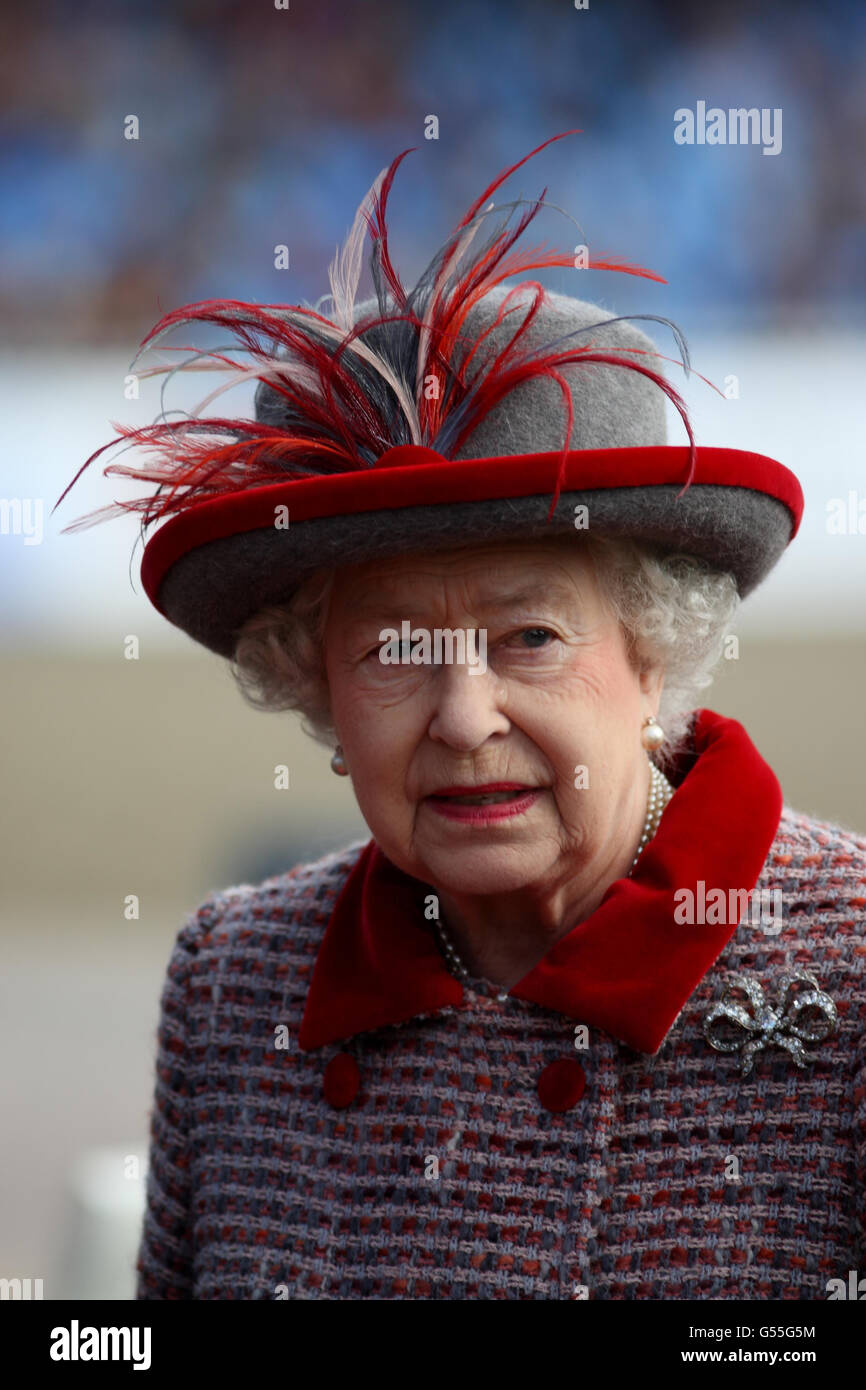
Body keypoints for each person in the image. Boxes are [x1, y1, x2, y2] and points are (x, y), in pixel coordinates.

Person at [59, 132, 866, 1300]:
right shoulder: (236, 982)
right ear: (316, 687)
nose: (462, 715)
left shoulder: (849, 966)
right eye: (394, 650)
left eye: (527, 637)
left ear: (652, 651)